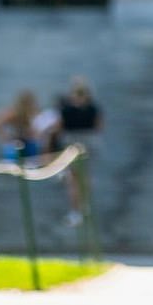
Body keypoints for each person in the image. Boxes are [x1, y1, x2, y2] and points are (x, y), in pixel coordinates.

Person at [56, 76, 103, 226]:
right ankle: (84, 205)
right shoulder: (93, 108)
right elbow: (99, 127)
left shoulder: (66, 109)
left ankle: (76, 211)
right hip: (89, 142)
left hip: (72, 143)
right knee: (85, 176)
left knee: (73, 180)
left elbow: (59, 127)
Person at [0, 89, 42, 162]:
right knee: (13, 152)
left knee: (33, 150)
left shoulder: (32, 111)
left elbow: (34, 127)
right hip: (15, 139)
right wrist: (5, 138)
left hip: (25, 139)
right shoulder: (14, 113)